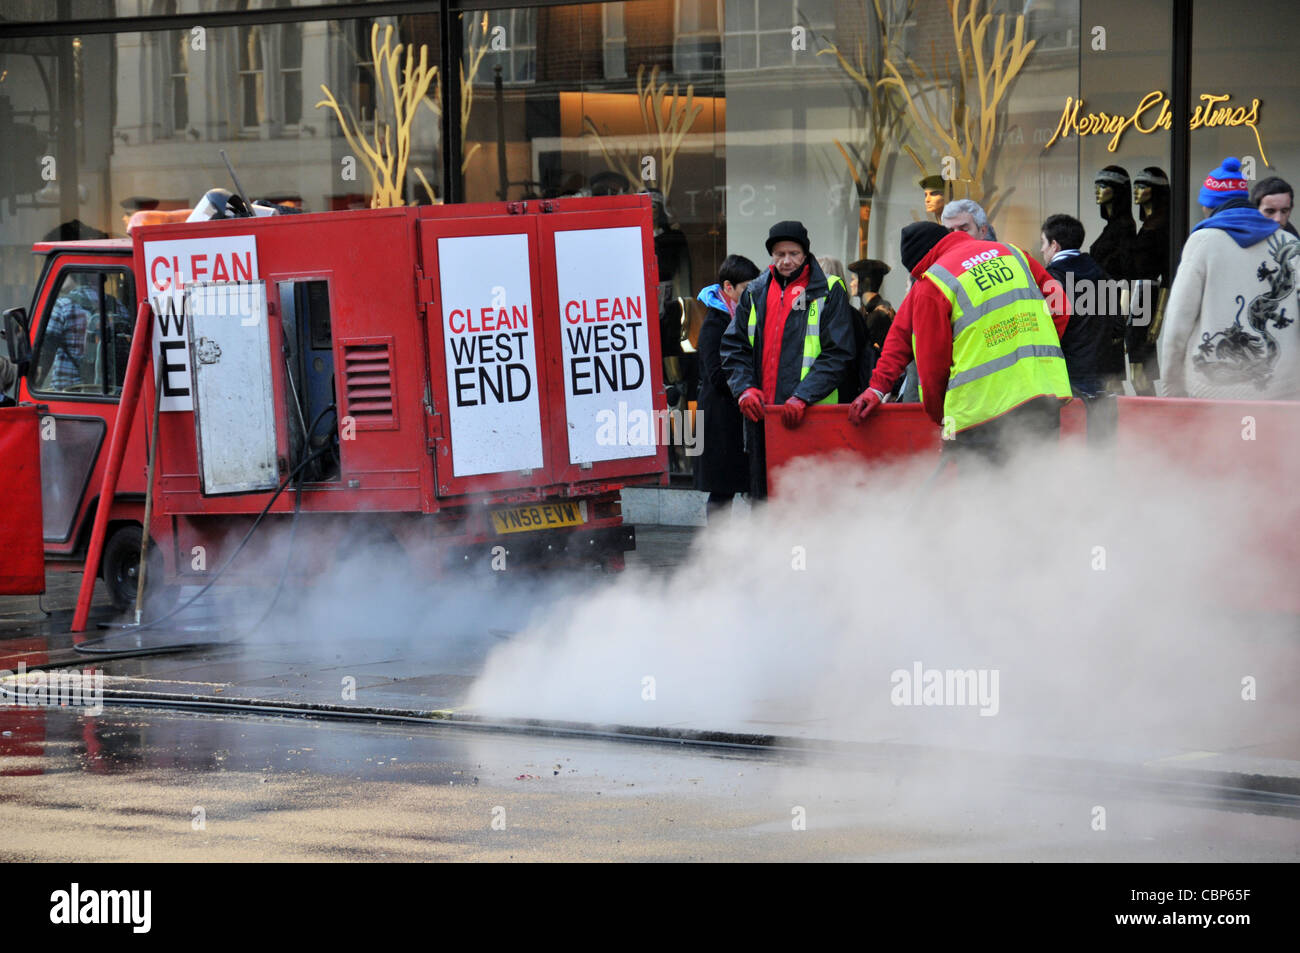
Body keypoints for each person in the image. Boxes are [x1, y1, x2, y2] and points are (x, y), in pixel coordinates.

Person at [848, 221, 1071, 467]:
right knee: (1039, 488)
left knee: (982, 499)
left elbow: (932, 368)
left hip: (981, 414)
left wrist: (943, 419)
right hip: (1042, 394)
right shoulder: (1013, 252)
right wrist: (1033, 350)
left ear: (919, 265)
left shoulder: (932, 282)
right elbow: (1059, 305)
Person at [721, 220, 854, 498]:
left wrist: (803, 395)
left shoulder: (829, 290)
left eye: (793, 253)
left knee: (807, 499)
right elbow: (735, 347)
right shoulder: (756, 292)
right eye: (779, 254)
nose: (786, 261)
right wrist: (744, 389)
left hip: (811, 417)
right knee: (765, 499)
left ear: (805, 254)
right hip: (763, 419)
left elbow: (838, 353)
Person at [1158, 157, 1300, 401]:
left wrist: (1170, 387)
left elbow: (1178, 321)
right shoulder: (1290, 244)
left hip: (1211, 390)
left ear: (1207, 206)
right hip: (1280, 388)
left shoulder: (1203, 242)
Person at [694, 255, 761, 519]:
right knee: (723, 491)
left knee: (742, 486)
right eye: (746, 288)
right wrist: (746, 389)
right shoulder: (714, 324)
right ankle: (718, 551)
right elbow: (717, 376)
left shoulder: (744, 318)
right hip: (721, 420)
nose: (751, 295)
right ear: (728, 287)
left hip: (738, 416)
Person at [1040, 213, 1120, 398]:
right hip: (1101, 369)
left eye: (1043, 242)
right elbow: (1117, 324)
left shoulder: (1052, 279)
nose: (1042, 249)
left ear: (1054, 245)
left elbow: (1047, 329)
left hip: (1067, 371)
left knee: (1071, 425)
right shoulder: (1102, 273)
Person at [1089, 165, 1137, 280]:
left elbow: (1124, 268)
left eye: (1102, 186)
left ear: (1117, 190)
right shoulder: (1112, 226)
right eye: (1096, 186)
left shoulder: (1124, 227)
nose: (1097, 191)